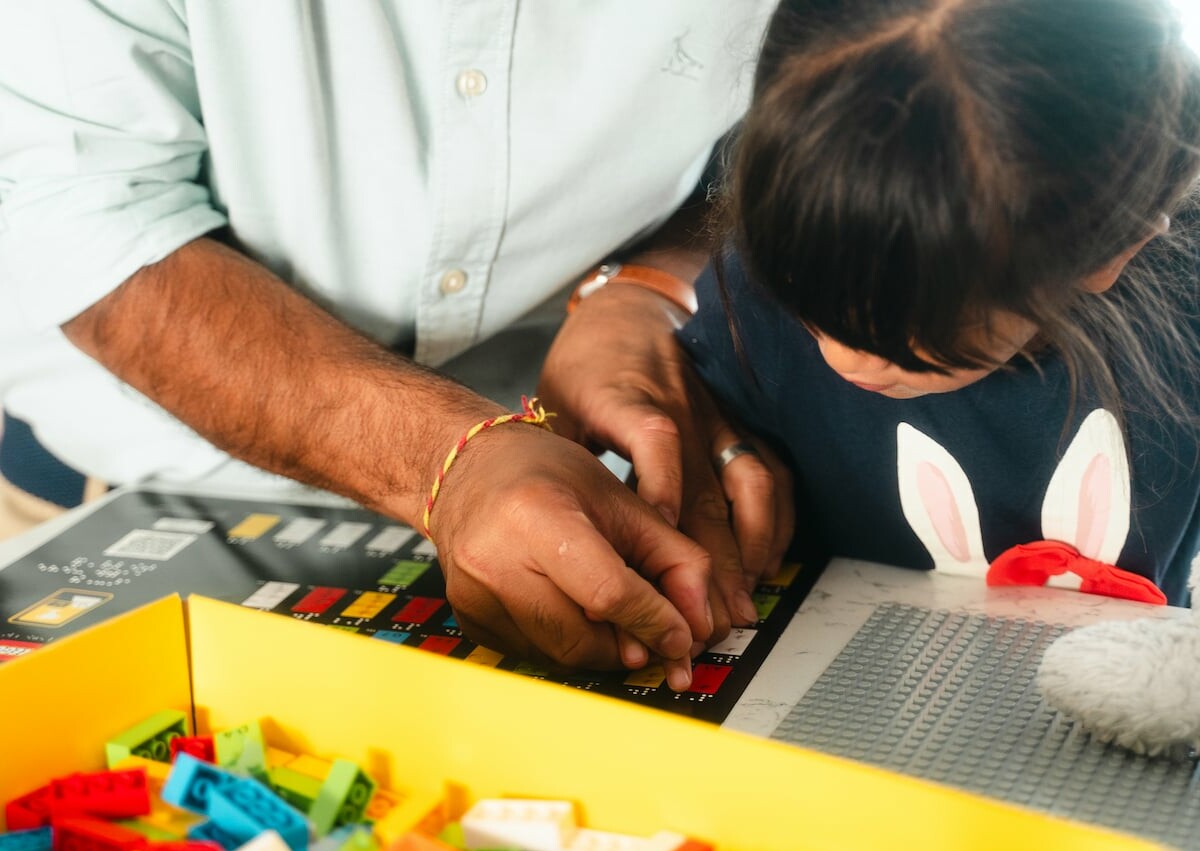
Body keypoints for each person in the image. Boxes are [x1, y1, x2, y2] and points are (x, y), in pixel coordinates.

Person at [0, 1, 793, 689]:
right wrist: (448, 460)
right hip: (140, 478)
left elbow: (788, 125)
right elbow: (87, 214)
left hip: (563, 476)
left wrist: (639, 292)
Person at [671, 0, 1200, 605]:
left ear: (1110, 249)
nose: (846, 360)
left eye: (905, 332)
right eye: (803, 295)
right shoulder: (751, 288)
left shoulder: (1184, 315)